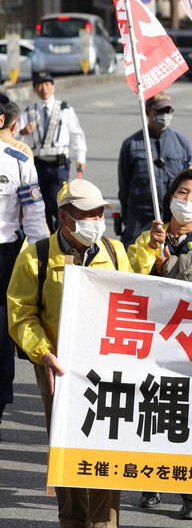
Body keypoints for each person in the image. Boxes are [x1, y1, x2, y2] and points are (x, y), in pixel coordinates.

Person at [7, 178, 129, 527]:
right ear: (65, 217)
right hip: (57, 367)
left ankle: (104, 522)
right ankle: (73, 519)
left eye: (99, 213)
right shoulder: (36, 255)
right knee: (67, 446)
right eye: (88, 214)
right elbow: (21, 314)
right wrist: (42, 352)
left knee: (109, 444)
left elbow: (136, 303)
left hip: (108, 366)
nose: (96, 220)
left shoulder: (115, 252)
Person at [130, 168, 192, 520]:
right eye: (182, 193)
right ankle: (152, 479)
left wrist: (173, 261)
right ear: (170, 196)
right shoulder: (148, 237)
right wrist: (152, 250)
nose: (187, 201)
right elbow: (130, 277)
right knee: (156, 408)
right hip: (155, 337)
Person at [0, 112, 49, 441]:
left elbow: (33, 216)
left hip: (4, 256)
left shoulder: (17, 161)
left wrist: (43, 261)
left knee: (1, 344)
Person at [118, 92, 192, 246]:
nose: (164, 115)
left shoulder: (181, 143)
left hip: (172, 217)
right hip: (139, 217)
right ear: (147, 111)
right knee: (135, 261)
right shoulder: (131, 144)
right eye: (159, 111)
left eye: (168, 111)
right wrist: (126, 216)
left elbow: (188, 183)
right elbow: (124, 185)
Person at [19, 71, 87, 231]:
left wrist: (80, 157)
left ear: (53, 87)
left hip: (59, 164)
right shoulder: (29, 111)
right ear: (35, 89)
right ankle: (48, 237)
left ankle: (61, 233)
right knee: (42, 205)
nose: (44, 88)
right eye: (39, 85)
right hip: (38, 165)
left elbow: (76, 132)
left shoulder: (65, 108)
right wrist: (24, 131)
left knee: (57, 201)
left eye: (47, 84)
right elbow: (14, 135)